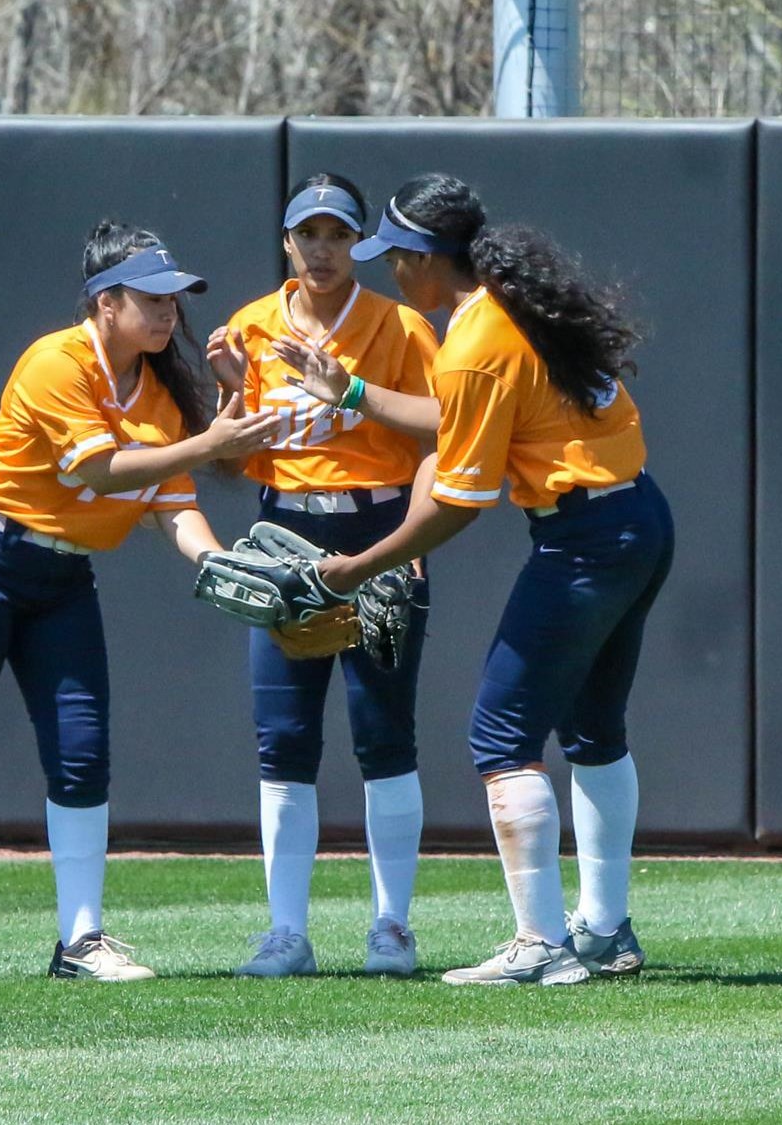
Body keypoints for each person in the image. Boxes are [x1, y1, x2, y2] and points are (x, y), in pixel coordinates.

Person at [0, 221, 278, 982]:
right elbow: (103, 470)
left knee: (82, 756)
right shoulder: (55, 360)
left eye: (175, 298)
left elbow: (172, 503)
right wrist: (211, 446)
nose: (169, 312)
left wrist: (215, 558)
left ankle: (80, 942)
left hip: (63, 579)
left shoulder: (161, 392)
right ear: (106, 302)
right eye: (152, 297)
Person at [287, 173, 674, 986]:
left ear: (431, 259)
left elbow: (460, 501)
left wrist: (360, 565)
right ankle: (603, 928)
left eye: (399, 257)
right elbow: (469, 412)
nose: (393, 272)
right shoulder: (514, 303)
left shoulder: (473, 339)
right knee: (595, 730)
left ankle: (539, 944)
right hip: (638, 518)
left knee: (501, 735)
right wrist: (354, 393)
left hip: (583, 539)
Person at [203, 173, 443, 978]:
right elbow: (233, 468)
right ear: (286, 242)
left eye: (338, 234)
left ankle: (392, 927)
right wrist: (231, 400)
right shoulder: (251, 326)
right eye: (308, 233)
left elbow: (446, 437)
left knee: (384, 734)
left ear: (359, 244)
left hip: (377, 528)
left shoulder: (399, 325)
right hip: (285, 533)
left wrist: (411, 538)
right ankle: (285, 933)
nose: (322, 249)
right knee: (284, 739)